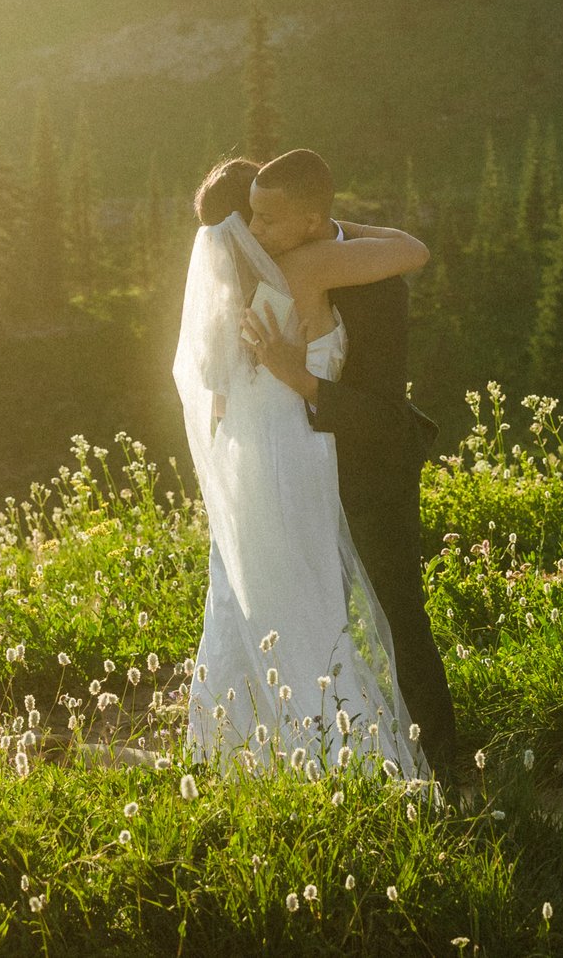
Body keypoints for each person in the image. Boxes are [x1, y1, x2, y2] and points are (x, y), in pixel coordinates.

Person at [173, 152, 433, 781]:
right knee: (311, 605)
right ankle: (345, 762)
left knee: (243, 603)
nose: (261, 228)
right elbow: (412, 249)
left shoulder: (229, 288)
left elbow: (214, 388)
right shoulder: (305, 264)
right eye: (256, 217)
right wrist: (327, 224)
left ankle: (231, 756)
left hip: (245, 464)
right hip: (297, 452)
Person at [240, 149, 461, 778]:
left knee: (398, 611)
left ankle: (442, 765)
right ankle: (334, 751)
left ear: (310, 221)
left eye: (268, 220)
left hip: (375, 467)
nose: (255, 232)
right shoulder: (276, 267)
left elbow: (383, 415)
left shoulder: (377, 290)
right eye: (251, 216)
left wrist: (300, 381)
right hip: (302, 471)